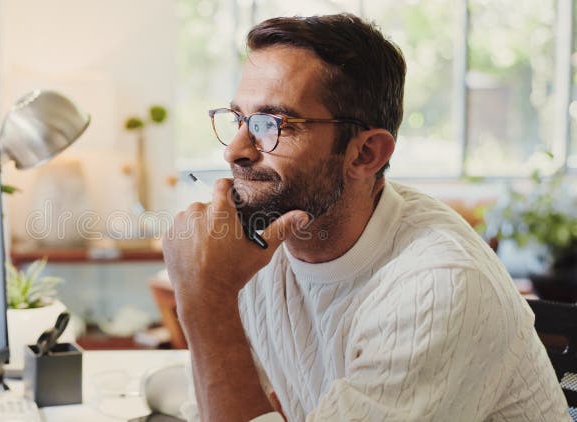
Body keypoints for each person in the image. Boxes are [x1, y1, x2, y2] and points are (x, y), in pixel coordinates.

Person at [162, 13, 570, 422]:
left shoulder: (439, 285)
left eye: (273, 124)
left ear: (366, 154)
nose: (234, 150)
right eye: (239, 120)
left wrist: (206, 301)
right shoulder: (256, 250)